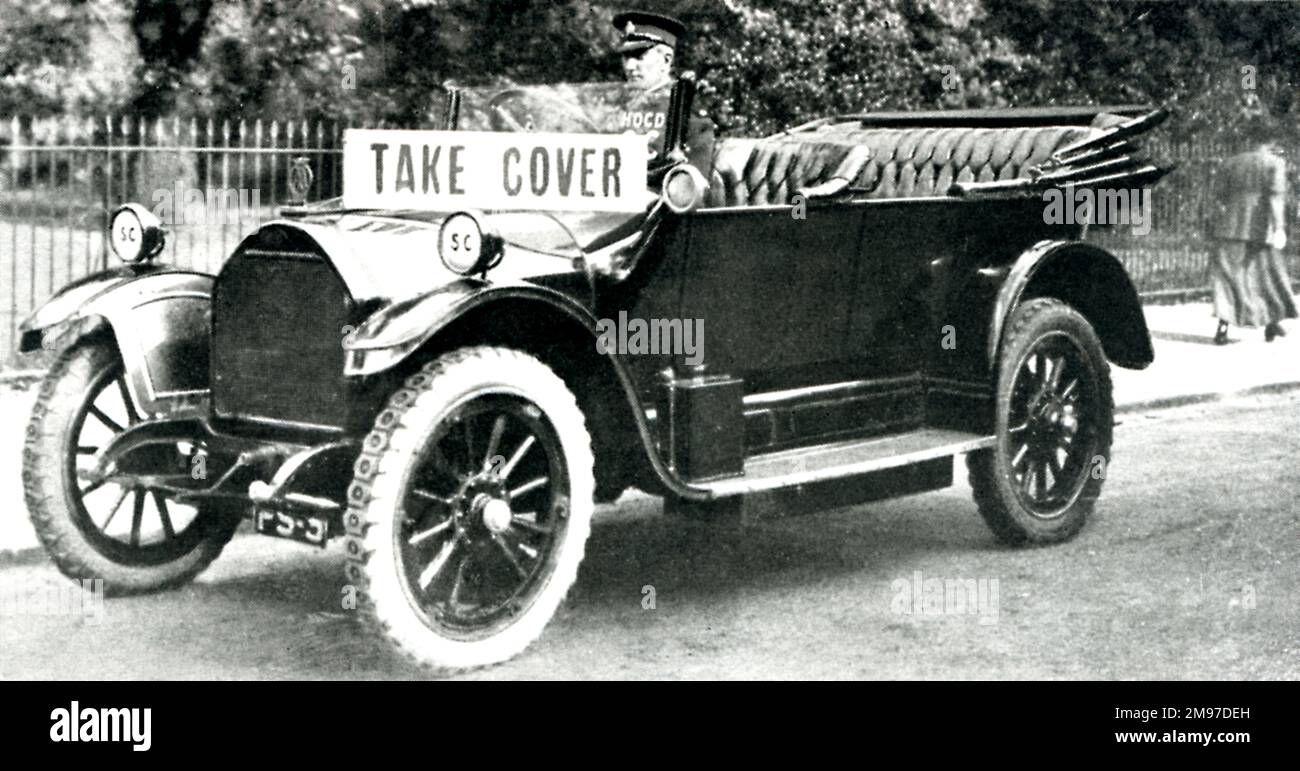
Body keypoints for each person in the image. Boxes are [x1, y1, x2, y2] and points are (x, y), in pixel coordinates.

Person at [1208, 121, 1297, 343]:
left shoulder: (1230, 163)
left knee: (1229, 277)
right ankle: (1271, 323)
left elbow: (1218, 194)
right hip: (1260, 228)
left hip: (1229, 227)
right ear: (1271, 141)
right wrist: (1279, 228)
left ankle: (1223, 327)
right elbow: (1275, 197)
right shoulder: (1275, 163)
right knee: (1266, 277)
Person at [611, 10, 715, 172]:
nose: (629, 66)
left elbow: (691, 187)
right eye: (626, 57)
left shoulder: (684, 112)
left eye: (639, 56)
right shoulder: (616, 109)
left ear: (666, 60)